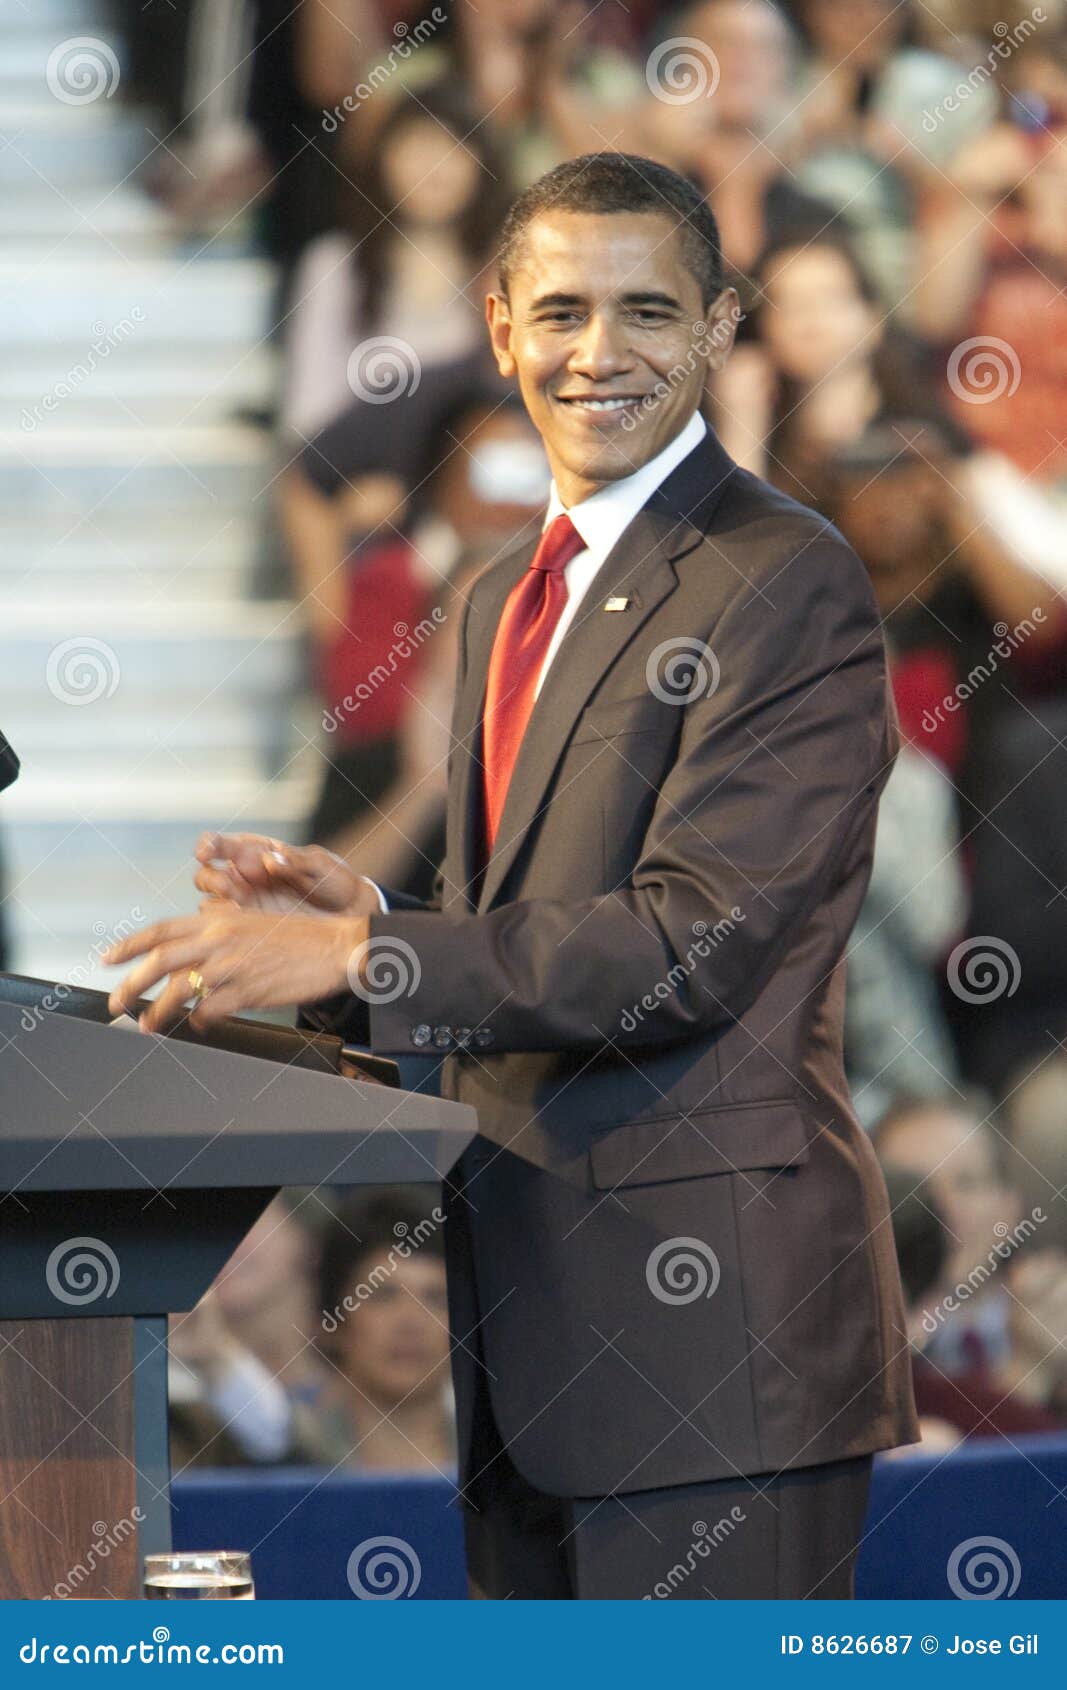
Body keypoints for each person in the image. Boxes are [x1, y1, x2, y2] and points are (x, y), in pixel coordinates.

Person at [106, 153, 917, 1599]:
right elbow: (534, 936)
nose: (598, 353)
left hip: (710, 1364)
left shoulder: (784, 579)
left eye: (648, 311)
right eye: (560, 312)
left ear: (723, 329)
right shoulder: (492, 594)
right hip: (528, 1353)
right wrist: (372, 926)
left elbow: (685, 945)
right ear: (497, 327)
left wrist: (373, 964)